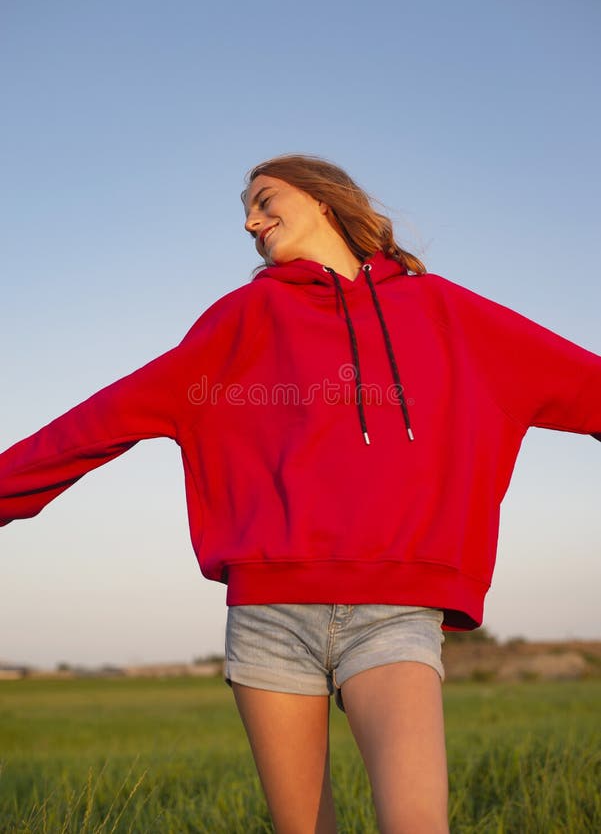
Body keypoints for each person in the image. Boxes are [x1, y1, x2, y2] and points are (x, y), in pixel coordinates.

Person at [1, 154, 600, 834]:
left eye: (263, 199)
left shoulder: (448, 312)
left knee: (416, 824)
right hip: (270, 612)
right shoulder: (241, 319)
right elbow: (105, 416)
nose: (251, 221)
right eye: (245, 213)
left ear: (323, 200)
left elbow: (586, 386)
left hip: (393, 609)